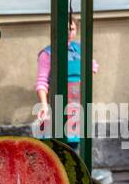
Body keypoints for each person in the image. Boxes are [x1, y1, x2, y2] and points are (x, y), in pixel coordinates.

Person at [35, 15, 98, 149]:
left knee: (75, 145)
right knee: (57, 146)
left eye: (72, 29)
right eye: (65, 29)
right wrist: (44, 105)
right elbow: (41, 82)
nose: (69, 33)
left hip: (77, 107)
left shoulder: (81, 49)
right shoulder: (47, 54)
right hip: (58, 105)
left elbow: (93, 66)